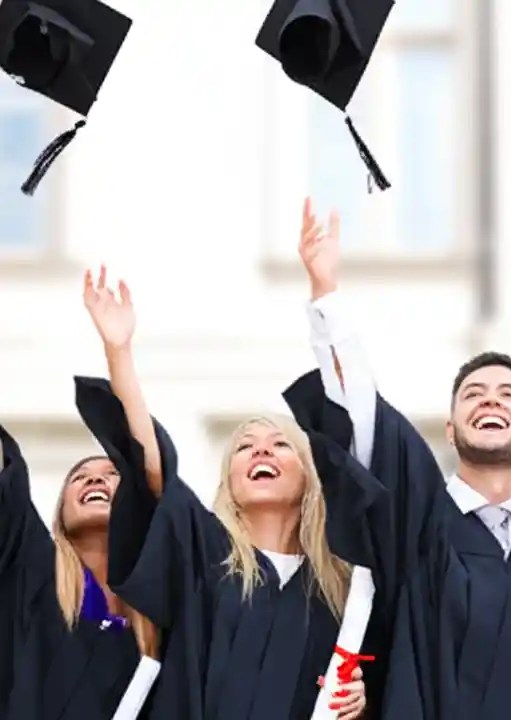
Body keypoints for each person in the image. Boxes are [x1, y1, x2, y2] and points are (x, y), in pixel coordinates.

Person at [284, 200, 511, 719]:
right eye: (473, 393)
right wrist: (326, 297)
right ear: (450, 429)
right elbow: (362, 414)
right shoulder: (417, 530)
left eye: (508, 394)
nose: (490, 399)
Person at [77, 266, 383, 719]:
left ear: (309, 478)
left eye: (280, 444)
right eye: (244, 447)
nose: (261, 450)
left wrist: (359, 701)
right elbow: (152, 469)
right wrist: (119, 352)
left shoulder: (339, 590)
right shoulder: (205, 556)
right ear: (229, 483)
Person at [0, 432, 160, 719]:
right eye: (79, 477)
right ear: (60, 513)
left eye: (113, 474)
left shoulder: (160, 621)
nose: (95, 480)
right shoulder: (34, 569)